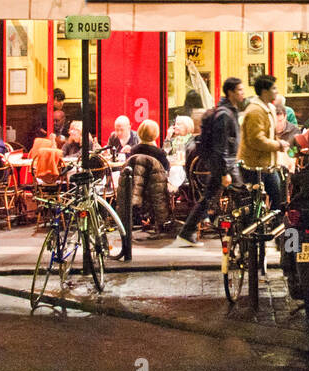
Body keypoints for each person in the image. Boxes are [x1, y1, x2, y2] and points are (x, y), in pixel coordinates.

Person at [175, 76, 244, 246]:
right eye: (239, 90)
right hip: (224, 166)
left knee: (208, 198)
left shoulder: (227, 111)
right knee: (244, 197)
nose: (243, 93)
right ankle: (243, 237)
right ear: (230, 93)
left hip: (222, 165)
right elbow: (221, 146)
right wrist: (225, 172)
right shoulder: (224, 115)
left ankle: (188, 231)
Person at [238, 74, 288, 209]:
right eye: (274, 88)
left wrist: (278, 142)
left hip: (268, 165)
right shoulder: (255, 111)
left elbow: (270, 134)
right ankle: (256, 228)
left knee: (278, 200)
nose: (277, 91)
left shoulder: (269, 108)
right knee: (254, 204)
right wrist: (278, 145)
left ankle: (275, 226)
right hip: (254, 166)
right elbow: (256, 140)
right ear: (265, 92)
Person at [123, 119, 174, 234]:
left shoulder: (133, 150)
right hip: (155, 189)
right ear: (156, 134)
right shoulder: (159, 153)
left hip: (137, 188)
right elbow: (166, 170)